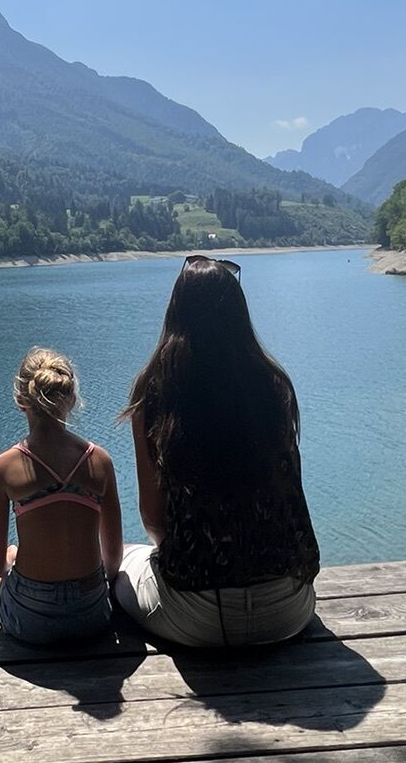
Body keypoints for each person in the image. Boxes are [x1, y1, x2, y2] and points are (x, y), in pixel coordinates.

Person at [114, 255, 320, 647]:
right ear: (239, 313)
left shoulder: (155, 393)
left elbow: (154, 520)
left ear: (176, 312)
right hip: (290, 609)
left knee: (123, 560)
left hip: (203, 620)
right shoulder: (274, 386)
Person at [0, 347, 124, 644]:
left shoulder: (2, 468)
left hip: (30, 621)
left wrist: (10, 560)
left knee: (3, 566)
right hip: (93, 616)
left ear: (21, 401)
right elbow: (113, 555)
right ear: (72, 398)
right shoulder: (100, 461)